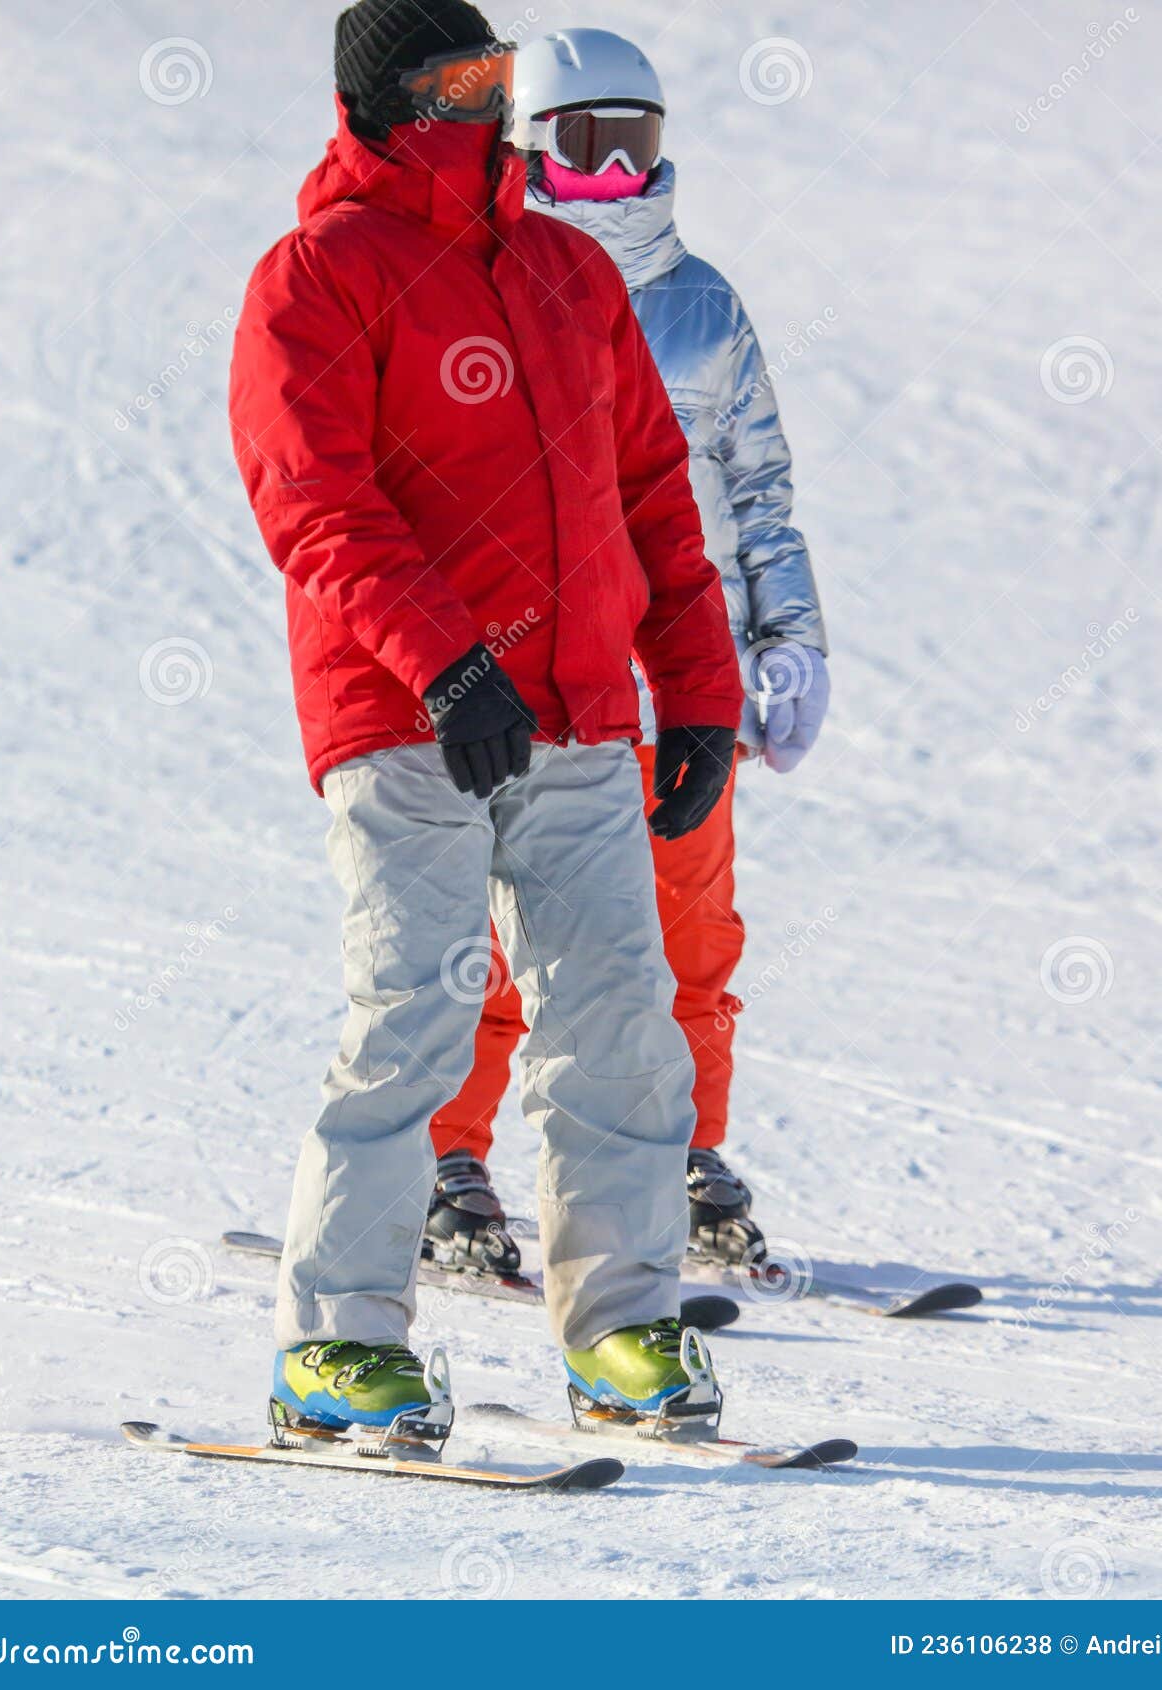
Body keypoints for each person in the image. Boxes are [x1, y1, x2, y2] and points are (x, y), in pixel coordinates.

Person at [228, 0, 743, 1431]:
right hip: (406, 720)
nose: (484, 102)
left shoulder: (569, 272)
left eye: (496, 78)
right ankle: (334, 1343)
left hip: (576, 718)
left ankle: (624, 1332)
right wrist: (446, 662)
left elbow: (652, 496)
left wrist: (695, 688)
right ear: (382, 101)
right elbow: (313, 502)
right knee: (416, 1015)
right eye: (457, 80)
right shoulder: (317, 275)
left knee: (614, 1021)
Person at [424, 28, 831, 1277]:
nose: (610, 174)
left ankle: (687, 1157)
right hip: (536, 679)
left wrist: (788, 639)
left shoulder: (700, 305)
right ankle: (448, 1157)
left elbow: (757, 487)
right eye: (579, 148)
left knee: (689, 930)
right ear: (524, 151)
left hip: (680, 680)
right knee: (501, 934)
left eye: (632, 146)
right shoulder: (484, 286)